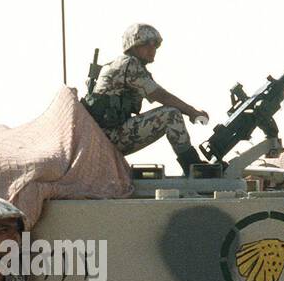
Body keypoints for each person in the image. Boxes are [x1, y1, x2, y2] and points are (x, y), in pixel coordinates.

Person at [83, 23, 208, 173]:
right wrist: (192, 112)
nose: (152, 49)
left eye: (155, 45)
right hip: (109, 137)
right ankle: (194, 167)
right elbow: (160, 95)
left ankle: (194, 166)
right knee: (170, 115)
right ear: (133, 46)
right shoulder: (129, 64)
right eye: (146, 44)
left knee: (171, 113)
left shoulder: (130, 66)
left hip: (109, 135)